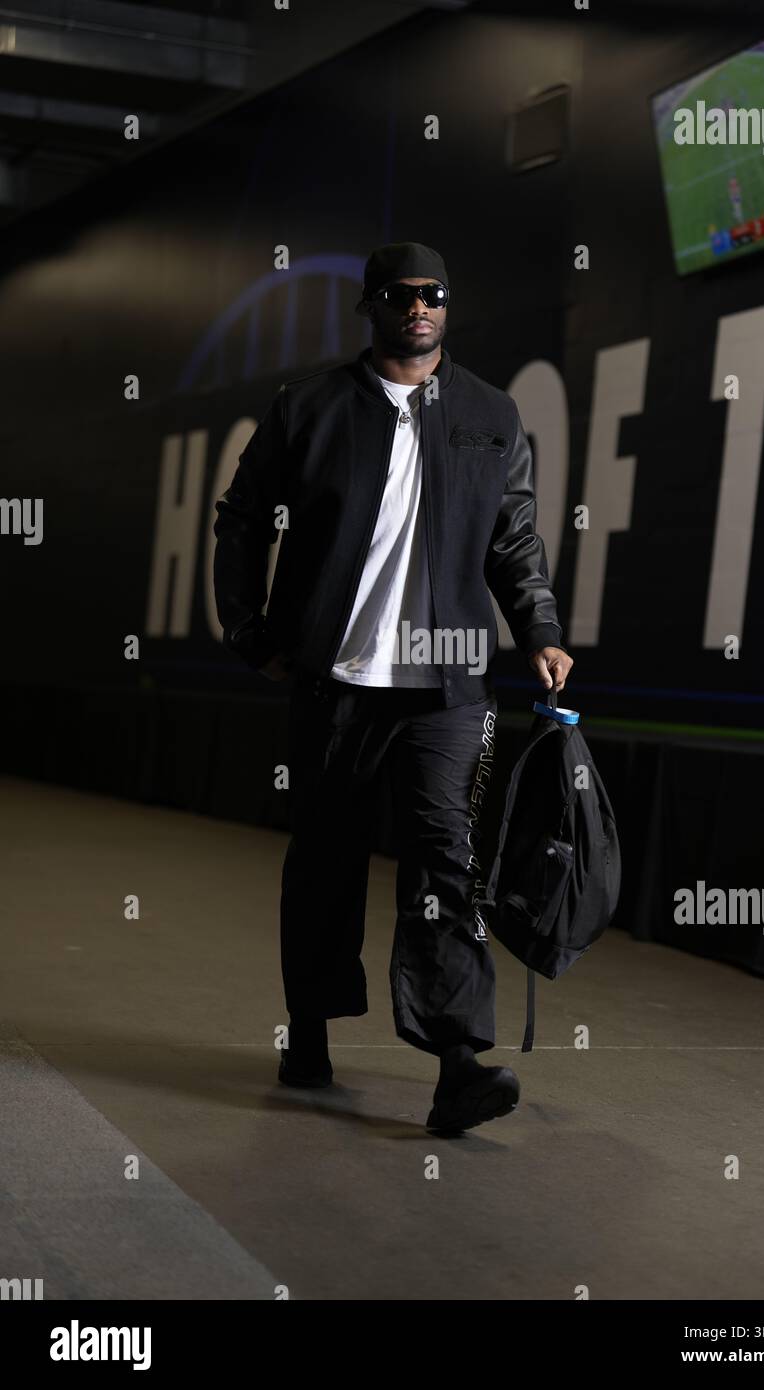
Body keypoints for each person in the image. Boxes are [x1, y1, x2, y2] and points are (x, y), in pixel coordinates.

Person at [213, 241, 572, 1132]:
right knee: (326, 860)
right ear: (372, 305)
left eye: (436, 294)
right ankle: (309, 1025)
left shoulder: (492, 413)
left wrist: (539, 629)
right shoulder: (311, 407)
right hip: (336, 678)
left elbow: (513, 539)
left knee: (444, 860)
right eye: (403, 295)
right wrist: (250, 631)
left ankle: (458, 1061)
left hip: (448, 687)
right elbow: (242, 517)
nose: (421, 307)